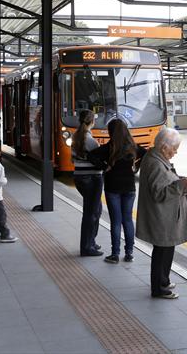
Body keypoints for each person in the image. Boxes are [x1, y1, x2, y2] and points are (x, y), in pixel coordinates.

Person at [136, 127, 187, 299]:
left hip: (164, 215)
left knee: (166, 249)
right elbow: (159, 193)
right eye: (174, 148)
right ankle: (159, 288)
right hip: (161, 216)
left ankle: (164, 281)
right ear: (164, 147)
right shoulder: (155, 163)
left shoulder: (156, 157)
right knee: (161, 251)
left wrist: (181, 181)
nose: (176, 152)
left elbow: (165, 182)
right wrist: (181, 185)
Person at [89, 119, 147, 264]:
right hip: (129, 187)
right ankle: (129, 253)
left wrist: (104, 166)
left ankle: (115, 254)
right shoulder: (132, 147)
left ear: (111, 132)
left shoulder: (109, 147)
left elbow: (91, 155)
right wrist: (136, 167)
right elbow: (146, 154)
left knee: (116, 221)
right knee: (127, 220)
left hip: (112, 187)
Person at [71, 110, 104, 256]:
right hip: (92, 178)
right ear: (92, 122)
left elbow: (73, 159)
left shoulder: (76, 137)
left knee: (95, 210)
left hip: (79, 177)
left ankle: (91, 241)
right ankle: (86, 247)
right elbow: (100, 159)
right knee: (91, 212)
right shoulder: (90, 140)